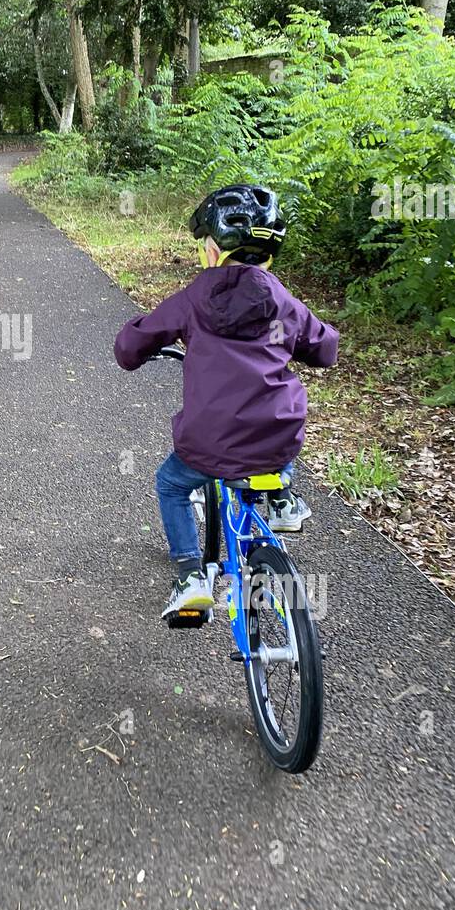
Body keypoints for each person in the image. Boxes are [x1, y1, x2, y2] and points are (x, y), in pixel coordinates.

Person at [114, 184, 339, 624]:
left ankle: (191, 577)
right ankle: (282, 498)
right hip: (276, 436)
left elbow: (130, 348)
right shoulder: (282, 302)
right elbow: (325, 350)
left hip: (210, 440)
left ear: (212, 251)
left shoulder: (194, 300)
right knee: (276, 436)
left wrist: (137, 337)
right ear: (269, 257)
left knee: (172, 483)